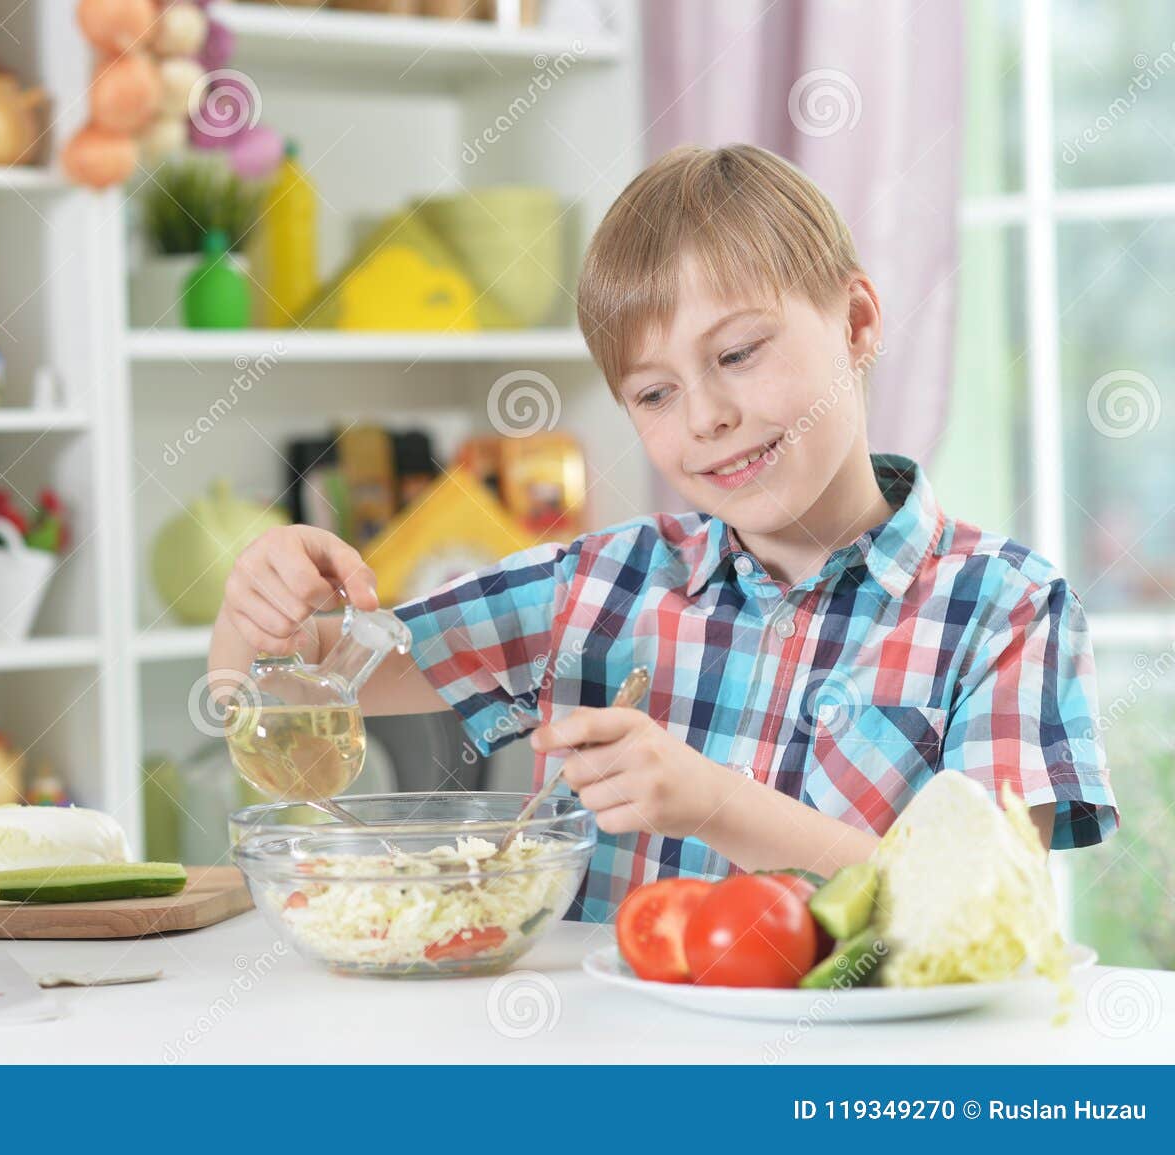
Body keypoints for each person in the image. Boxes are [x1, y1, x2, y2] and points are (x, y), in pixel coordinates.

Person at [207, 143, 1118, 921]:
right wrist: (262, 599)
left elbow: (989, 907)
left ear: (858, 322)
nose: (708, 416)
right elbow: (284, 687)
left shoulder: (1006, 609)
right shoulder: (596, 587)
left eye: (737, 354)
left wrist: (716, 805)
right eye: (654, 393)